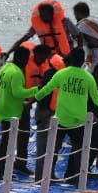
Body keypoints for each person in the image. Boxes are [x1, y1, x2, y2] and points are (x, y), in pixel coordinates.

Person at [34, 47, 98, 184]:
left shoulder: (61, 74)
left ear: (71, 59)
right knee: (79, 149)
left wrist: (36, 97)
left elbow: (47, 89)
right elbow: (97, 97)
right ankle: (75, 177)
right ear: (83, 61)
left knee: (53, 149)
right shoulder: (87, 77)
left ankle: (48, 176)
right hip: (79, 120)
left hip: (60, 118)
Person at [0, 45, 35, 178]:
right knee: (6, 141)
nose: (27, 61)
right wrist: (36, 90)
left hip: (2, 107)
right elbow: (18, 92)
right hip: (12, 112)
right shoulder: (16, 73)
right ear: (21, 58)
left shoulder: (5, 68)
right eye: (27, 59)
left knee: (4, 140)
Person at [26, 43, 65, 182]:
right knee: (43, 146)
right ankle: (39, 177)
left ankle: (49, 174)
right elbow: (43, 92)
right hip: (45, 113)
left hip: (54, 114)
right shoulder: (51, 74)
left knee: (52, 146)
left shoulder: (58, 73)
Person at [8, 0, 78, 58]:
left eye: (45, 15)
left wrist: (78, 50)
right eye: (41, 15)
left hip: (67, 55)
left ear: (52, 14)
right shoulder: (37, 25)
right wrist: (8, 52)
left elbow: (78, 35)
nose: (43, 17)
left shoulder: (65, 21)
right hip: (50, 56)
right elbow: (24, 38)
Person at [73, 2, 98, 68]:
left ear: (79, 13)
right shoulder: (97, 20)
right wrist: (89, 54)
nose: (75, 17)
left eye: (76, 14)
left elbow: (76, 44)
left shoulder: (82, 26)